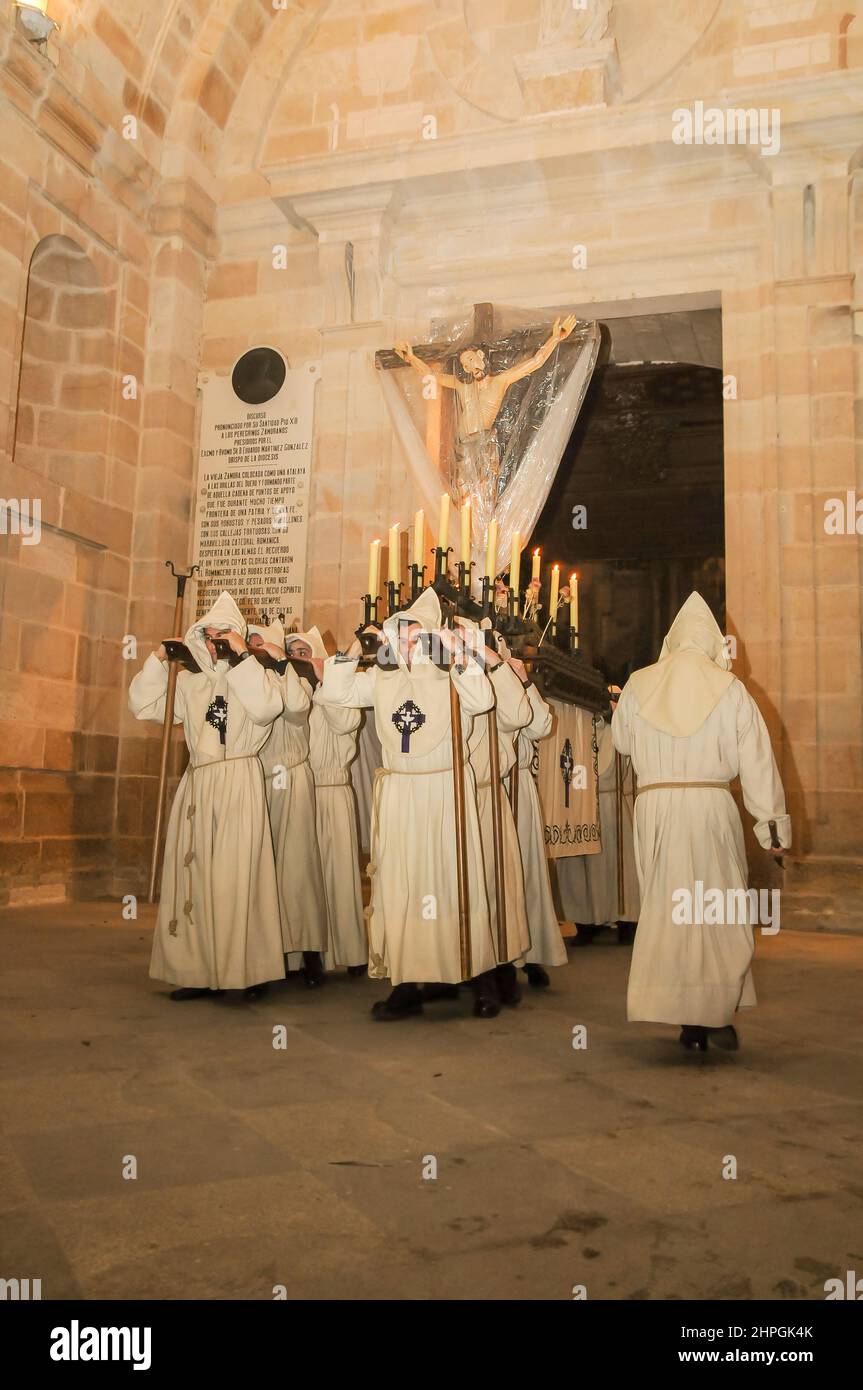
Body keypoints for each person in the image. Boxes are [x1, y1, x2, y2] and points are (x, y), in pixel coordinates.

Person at [611, 592, 790, 1052]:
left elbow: (623, 744)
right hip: (711, 810)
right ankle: (712, 1011)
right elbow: (758, 762)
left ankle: (684, 1015)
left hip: (655, 809)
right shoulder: (729, 690)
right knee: (715, 910)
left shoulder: (638, 683)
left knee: (669, 910)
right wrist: (772, 827)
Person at [317, 589, 502, 1020]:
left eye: (417, 636)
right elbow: (334, 694)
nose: (408, 644)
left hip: (444, 791)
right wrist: (357, 645)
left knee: (455, 883)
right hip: (400, 794)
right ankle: (405, 982)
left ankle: (480, 979)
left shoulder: (449, 672)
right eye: (401, 634)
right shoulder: (381, 677)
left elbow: (483, 701)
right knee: (401, 888)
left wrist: (459, 656)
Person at [129, 591, 285, 1001]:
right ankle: (196, 970)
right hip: (198, 784)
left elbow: (268, 708)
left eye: (223, 635)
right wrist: (159, 660)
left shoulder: (259, 674)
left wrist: (242, 655)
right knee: (194, 877)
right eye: (209, 634)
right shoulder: (191, 683)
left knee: (235, 878)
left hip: (238, 782)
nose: (215, 641)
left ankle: (242, 973)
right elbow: (144, 706)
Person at [455, 618, 532, 1009]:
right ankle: (460, 968)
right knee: (460, 890)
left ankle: (499, 969)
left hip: (487, 797)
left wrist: (495, 663)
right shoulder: (448, 673)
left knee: (494, 885)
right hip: (451, 801)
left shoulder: (496, 678)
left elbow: (520, 716)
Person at [250, 622, 328, 987]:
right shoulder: (252, 681)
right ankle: (263, 955)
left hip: (292, 776)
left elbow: (297, 711)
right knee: (261, 871)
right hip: (255, 780)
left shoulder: (295, 680)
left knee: (297, 869)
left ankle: (308, 952)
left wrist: (285, 668)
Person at [303, 628, 369, 976]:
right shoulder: (294, 693)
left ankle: (350, 951)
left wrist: (326, 683)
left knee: (339, 875)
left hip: (333, 790)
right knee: (303, 877)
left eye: (306, 652)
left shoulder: (341, 694)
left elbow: (345, 723)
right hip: (301, 794)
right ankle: (308, 952)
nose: (301, 659)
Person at [556, 693, 640, 947]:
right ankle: (585, 921)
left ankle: (627, 918)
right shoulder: (571, 723)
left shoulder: (619, 722)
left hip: (611, 801)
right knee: (581, 867)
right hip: (579, 801)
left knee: (617, 865)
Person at [505, 657, 569, 986]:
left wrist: (525, 682)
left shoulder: (517, 683)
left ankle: (529, 953)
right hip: (487, 787)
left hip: (521, 787)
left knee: (527, 871)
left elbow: (542, 726)